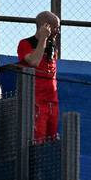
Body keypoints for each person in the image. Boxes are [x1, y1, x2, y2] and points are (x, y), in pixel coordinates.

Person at [16, 10, 61, 143]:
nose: (57, 31)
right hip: (37, 102)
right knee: (38, 139)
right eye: (55, 27)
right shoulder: (26, 44)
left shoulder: (52, 47)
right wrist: (43, 38)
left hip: (52, 103)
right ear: (45, 26)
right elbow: (33, 62)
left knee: (51, 140)